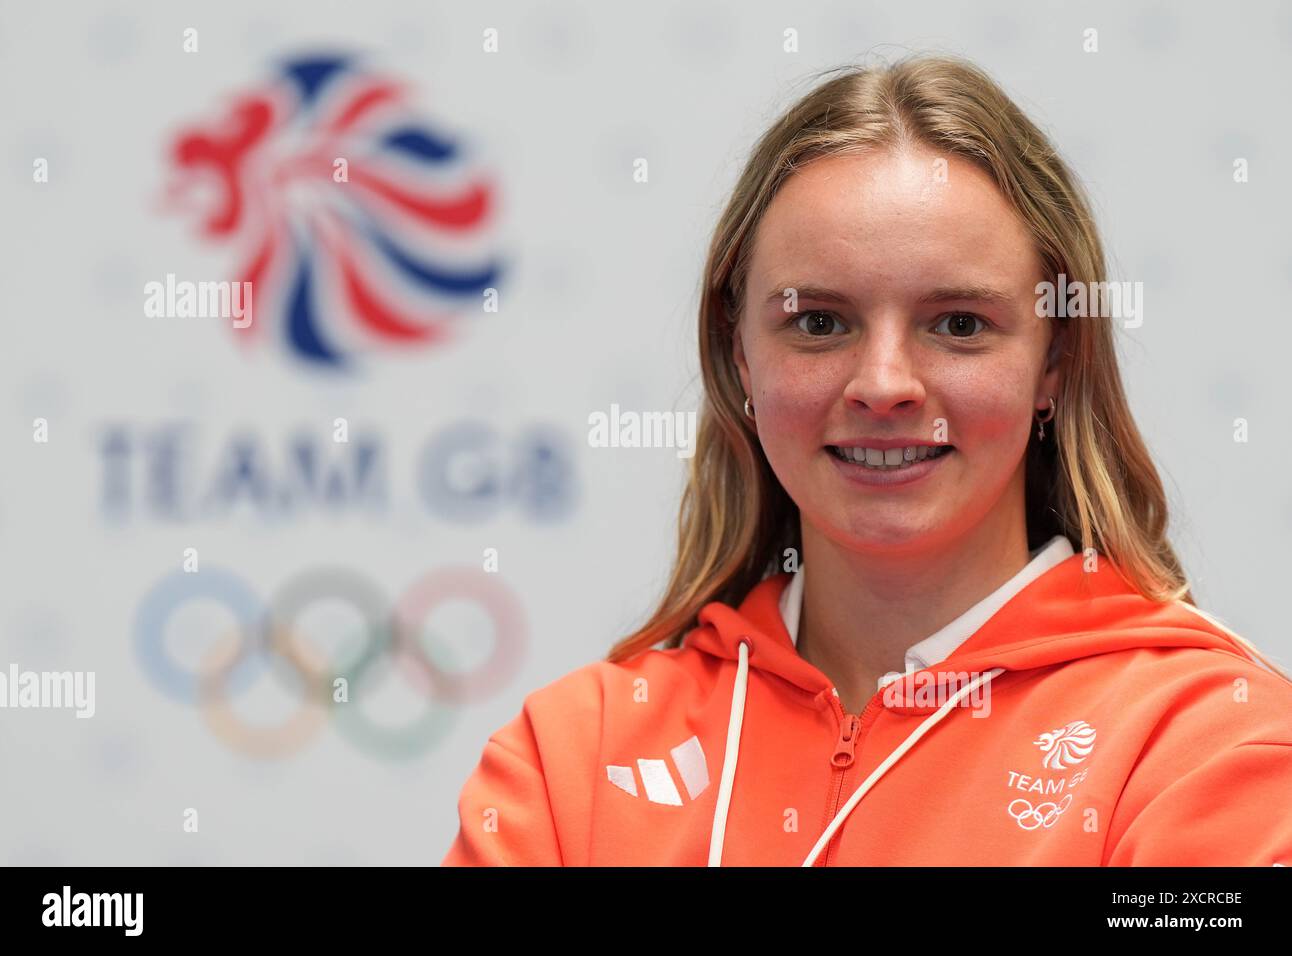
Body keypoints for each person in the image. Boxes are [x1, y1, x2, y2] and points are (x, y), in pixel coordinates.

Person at [441, 53, 1292, 866]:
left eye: (959, 323)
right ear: (739, 356)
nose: (884, 385)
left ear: (1055, 363)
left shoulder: (1203, 741)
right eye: (819, 322)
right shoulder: (572, 760)